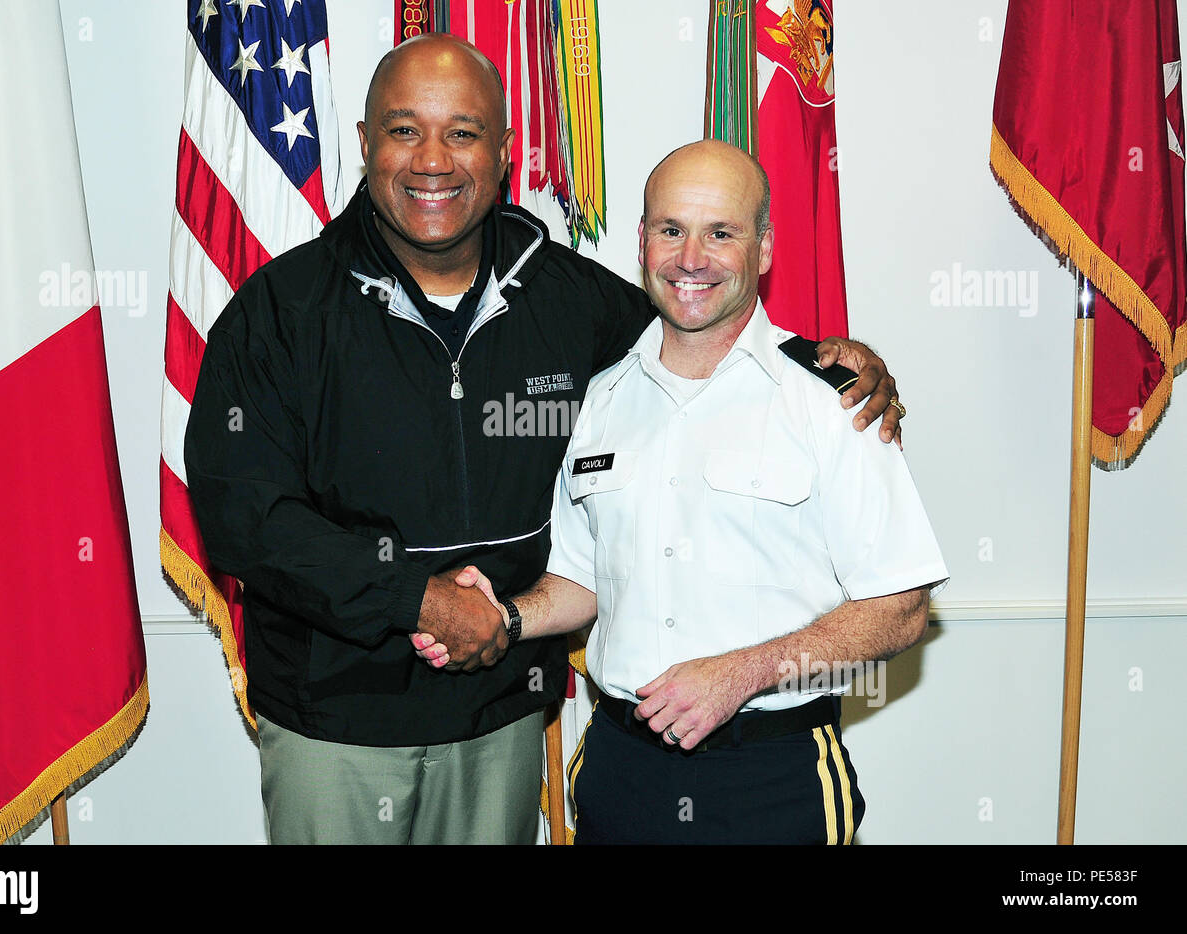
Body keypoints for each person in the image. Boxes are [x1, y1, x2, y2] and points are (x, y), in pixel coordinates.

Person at [185, 34, 905, 845]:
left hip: (501, 723)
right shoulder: (279, 312)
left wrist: (824, 359)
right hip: (334, 730)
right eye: (403, 129)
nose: (433, 160)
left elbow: (702, 323)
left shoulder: (568, 299)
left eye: (462, 132)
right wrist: (413, 599)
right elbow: (244, 517)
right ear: (363, 144)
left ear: (501, 152)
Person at [414, 140, 948, 844]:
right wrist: (503, 617)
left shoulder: (831, 401)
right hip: (620, 768)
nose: (691, 257)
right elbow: (584, 579)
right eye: (671, 230)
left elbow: (902, 609)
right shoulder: (603, 397)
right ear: (642, 243)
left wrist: (744, 674)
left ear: (763, 249)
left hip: (772, 777)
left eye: (720, 233)